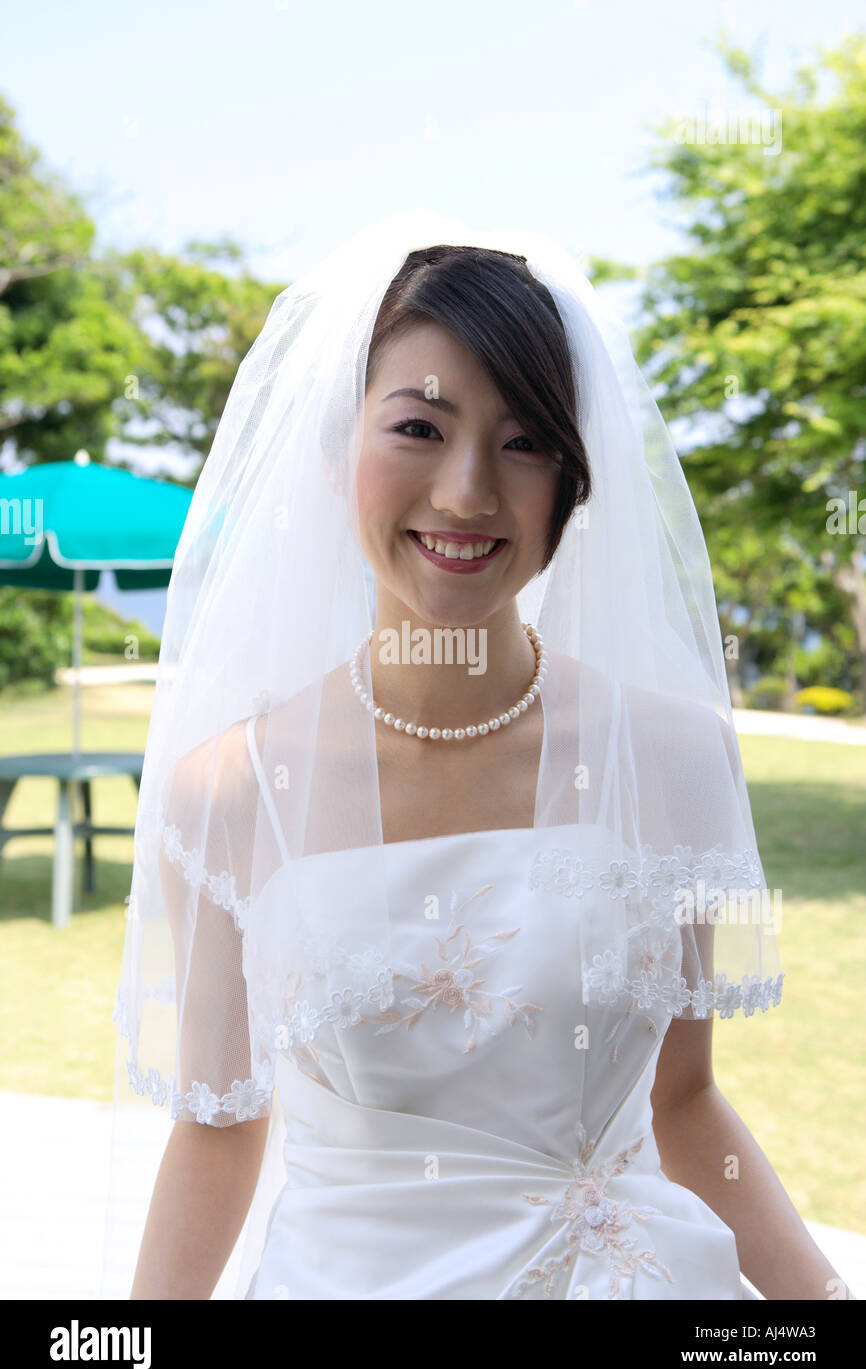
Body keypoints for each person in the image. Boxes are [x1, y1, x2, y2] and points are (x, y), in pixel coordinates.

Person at [102, 210, 842, 1301]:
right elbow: (217, 1131)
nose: (465, 492)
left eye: (524, 441)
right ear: (333, 444)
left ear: (573, 485)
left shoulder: (670, 755)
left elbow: (681, 1103)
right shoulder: (230, 790)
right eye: (417, 427)